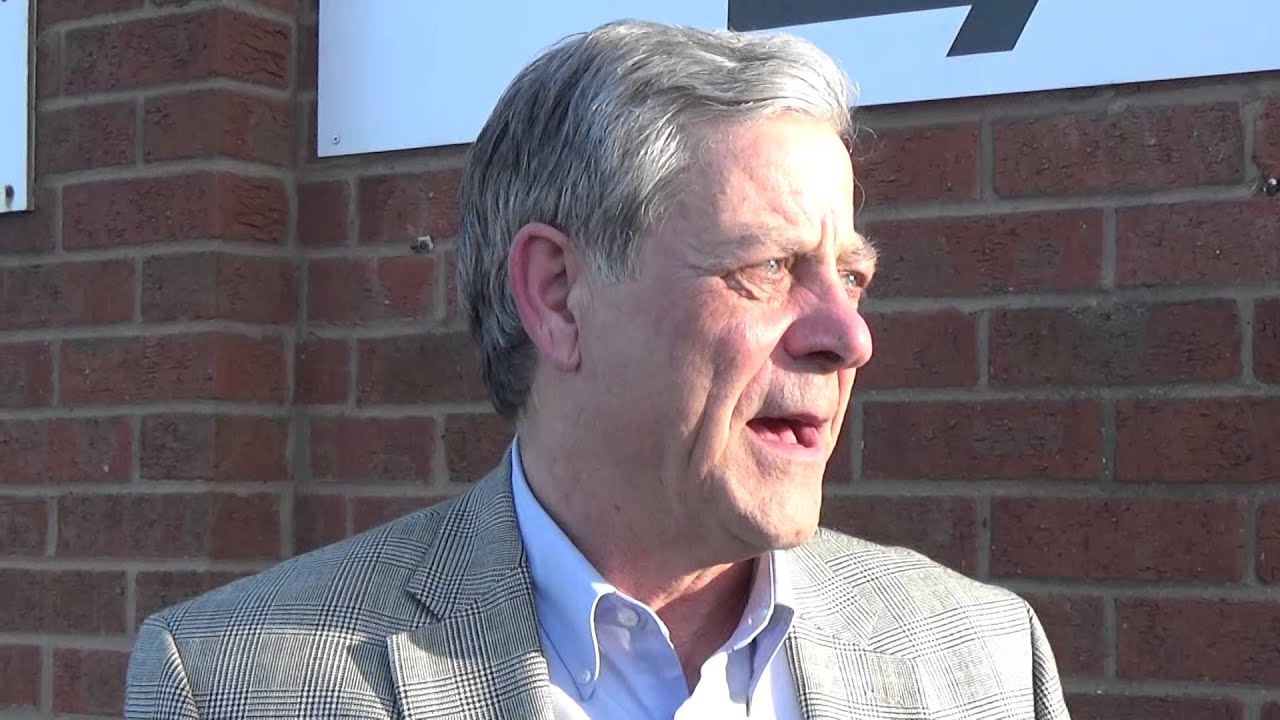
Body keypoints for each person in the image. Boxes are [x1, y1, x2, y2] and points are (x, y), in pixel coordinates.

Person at [126, 20, 1070, 719]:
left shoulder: (983, 663)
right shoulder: (237, 683)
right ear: (559, 295)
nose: (847, 336)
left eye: (851, 276)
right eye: (769, 267)